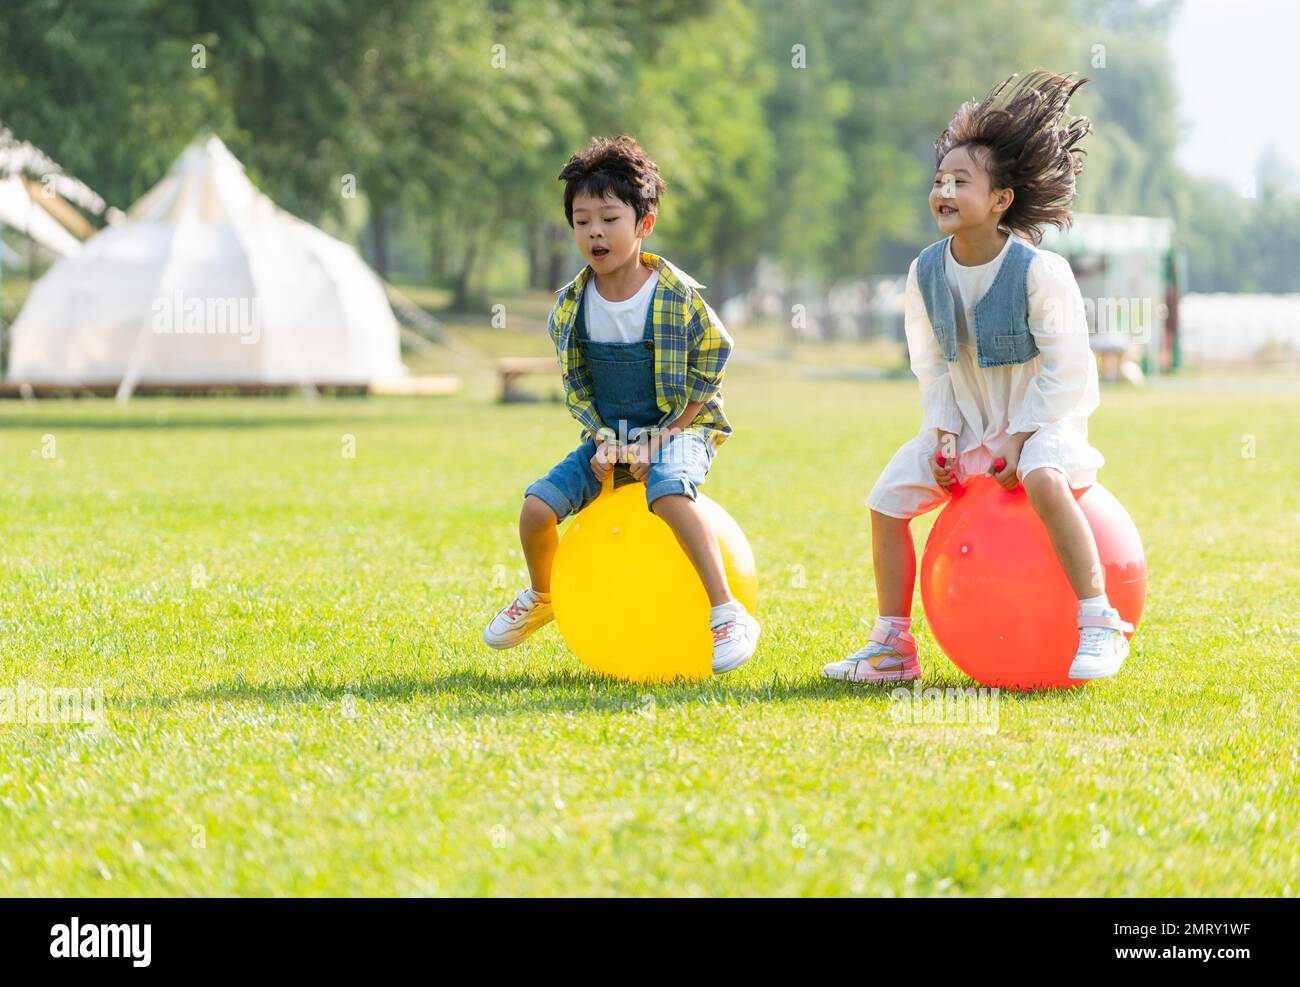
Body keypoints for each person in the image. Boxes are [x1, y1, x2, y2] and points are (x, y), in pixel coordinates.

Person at [823, 71, 1132, 685]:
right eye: (940, 179)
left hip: (1043, 421)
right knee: (886, 502)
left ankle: (1098, 619)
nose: (944, 189)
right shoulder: (924, 272)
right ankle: (892, 647)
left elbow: (1070, 368)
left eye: (962, 181)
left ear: (1000, 201)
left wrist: (1020, 437)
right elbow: (931, 364)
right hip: (967, 426)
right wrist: (941, 432)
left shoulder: (1040, 272)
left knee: (1043, 476)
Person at [484, 135, 761, 673]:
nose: (595, 232)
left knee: (669, 492)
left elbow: (712, 367)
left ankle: (726, 611)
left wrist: (660, 438)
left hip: (683, 428)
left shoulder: (675, 296)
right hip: (610, 438)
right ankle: (543, 596)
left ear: (644, 224)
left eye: (609, 218)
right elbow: (580, 389)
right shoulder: (570, 306)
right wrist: (603, 441)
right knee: (537, 507)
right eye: (582, 220)